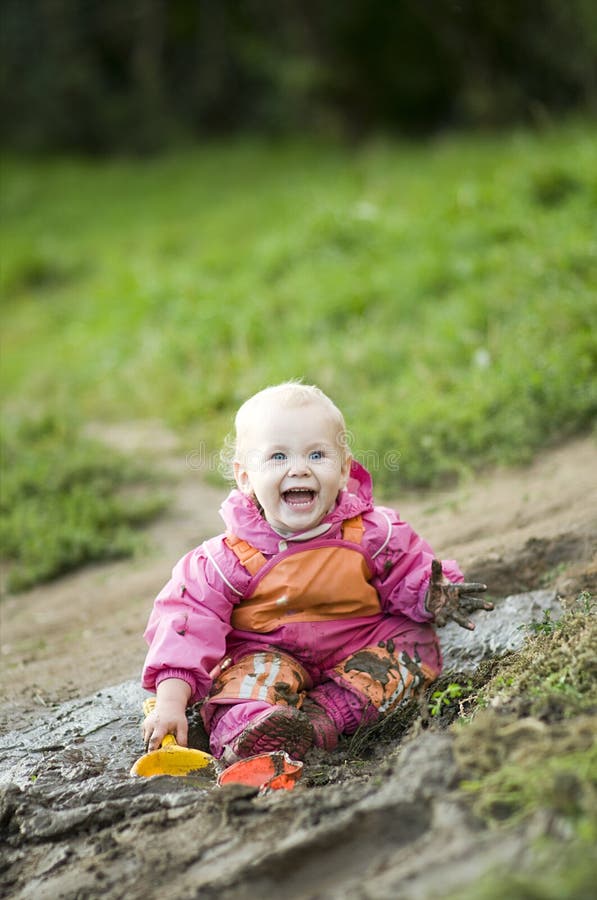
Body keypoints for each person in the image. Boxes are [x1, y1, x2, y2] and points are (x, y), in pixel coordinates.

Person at [141, 382, 492, 763]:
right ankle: (253, 731)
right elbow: (187, 622)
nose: (299, 468)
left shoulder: (372, 533)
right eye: (277, 457)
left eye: (317, 454)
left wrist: (432, 592)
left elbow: (409, 570)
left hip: (359, 649)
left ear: (343, 471)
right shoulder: (226, 560)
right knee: (243, 686)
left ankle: (322, 718)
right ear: (245, 478)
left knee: (414, 647)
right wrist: (171, 701)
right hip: (269, 656)